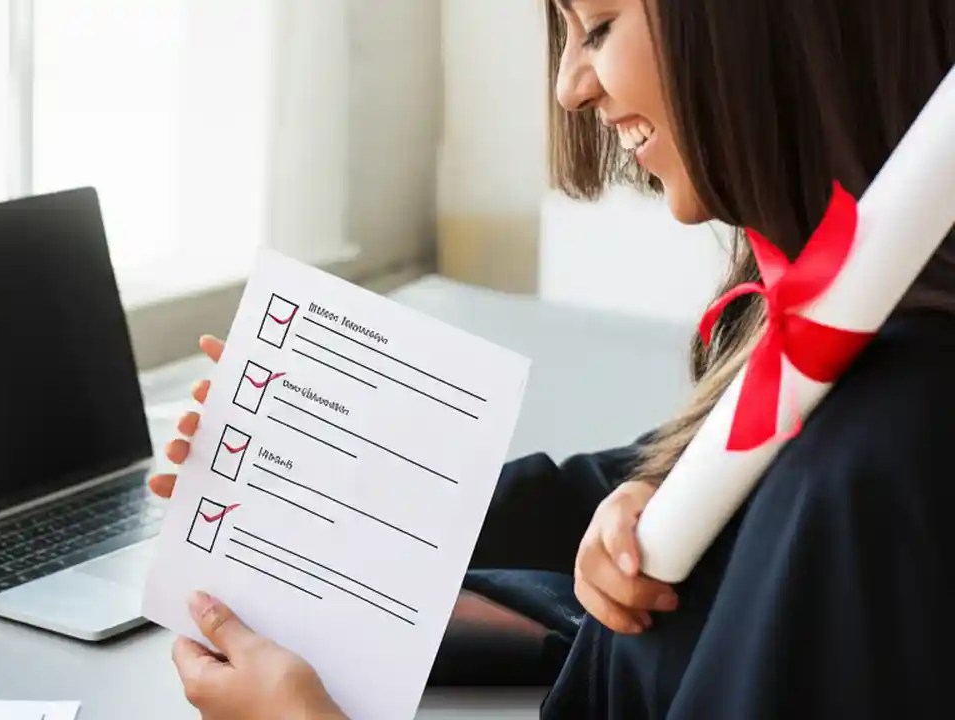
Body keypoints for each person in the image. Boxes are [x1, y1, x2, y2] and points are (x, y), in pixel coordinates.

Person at [147, 0, 955, 716]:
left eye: (599, 28)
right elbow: (669, 498)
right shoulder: (805, 326)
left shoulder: (864, 463)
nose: (570, 86)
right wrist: (326, 498)